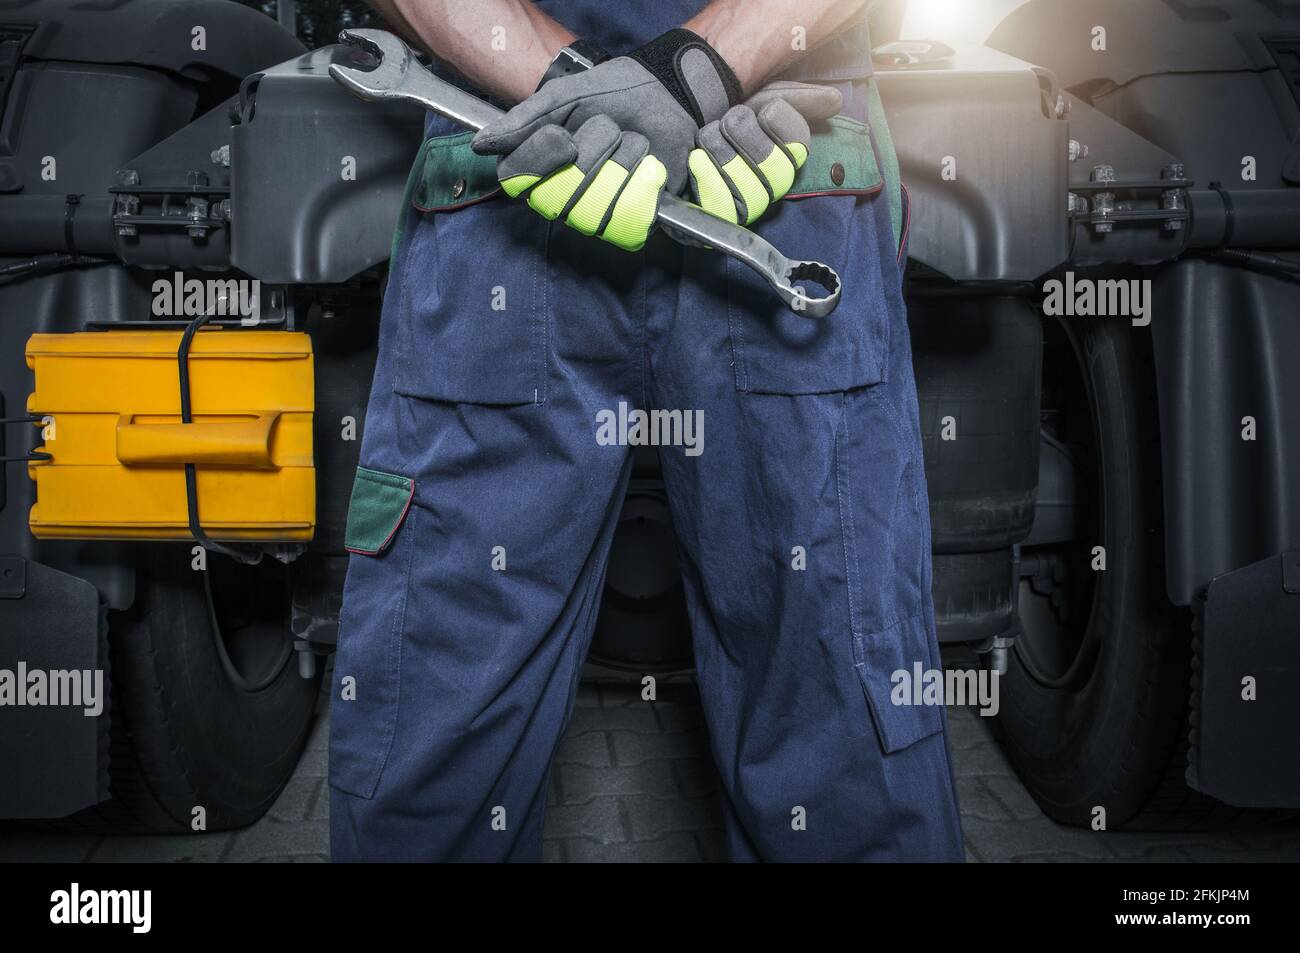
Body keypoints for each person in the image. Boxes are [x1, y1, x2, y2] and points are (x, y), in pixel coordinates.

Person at [329, 0, 964, 862]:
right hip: (679, 153)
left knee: (438, 722)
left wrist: (604, 86)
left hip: (632, 150)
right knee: (841, 720)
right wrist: (686, 73)